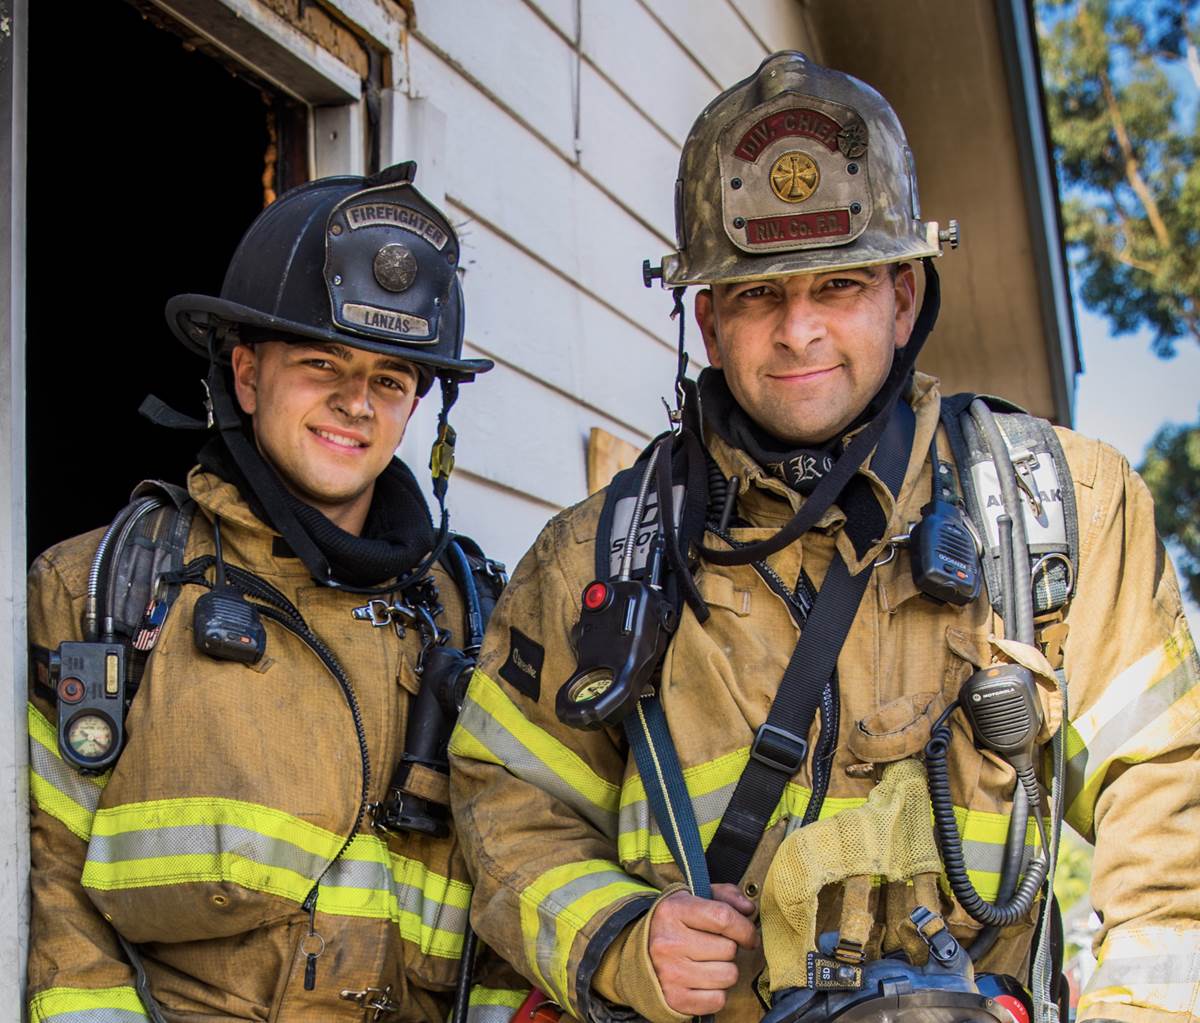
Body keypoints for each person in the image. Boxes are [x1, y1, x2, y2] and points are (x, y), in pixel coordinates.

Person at [449, 52, 1200, 1023]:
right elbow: (505, 805)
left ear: (902, 294)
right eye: (758, 294)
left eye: (836, 283)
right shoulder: (594, 559)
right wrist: (619, 940)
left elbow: (1174, 821)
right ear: (708, 318)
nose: (798, 329)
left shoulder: (1067, 508)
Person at [26, 163, 524, 1022]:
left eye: (390, 379)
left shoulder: (470, 614)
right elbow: (54, 896)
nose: (355, 402)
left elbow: (509, 902)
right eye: (321, 362)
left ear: (416, 410)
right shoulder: (100, 589)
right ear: (248, 375)